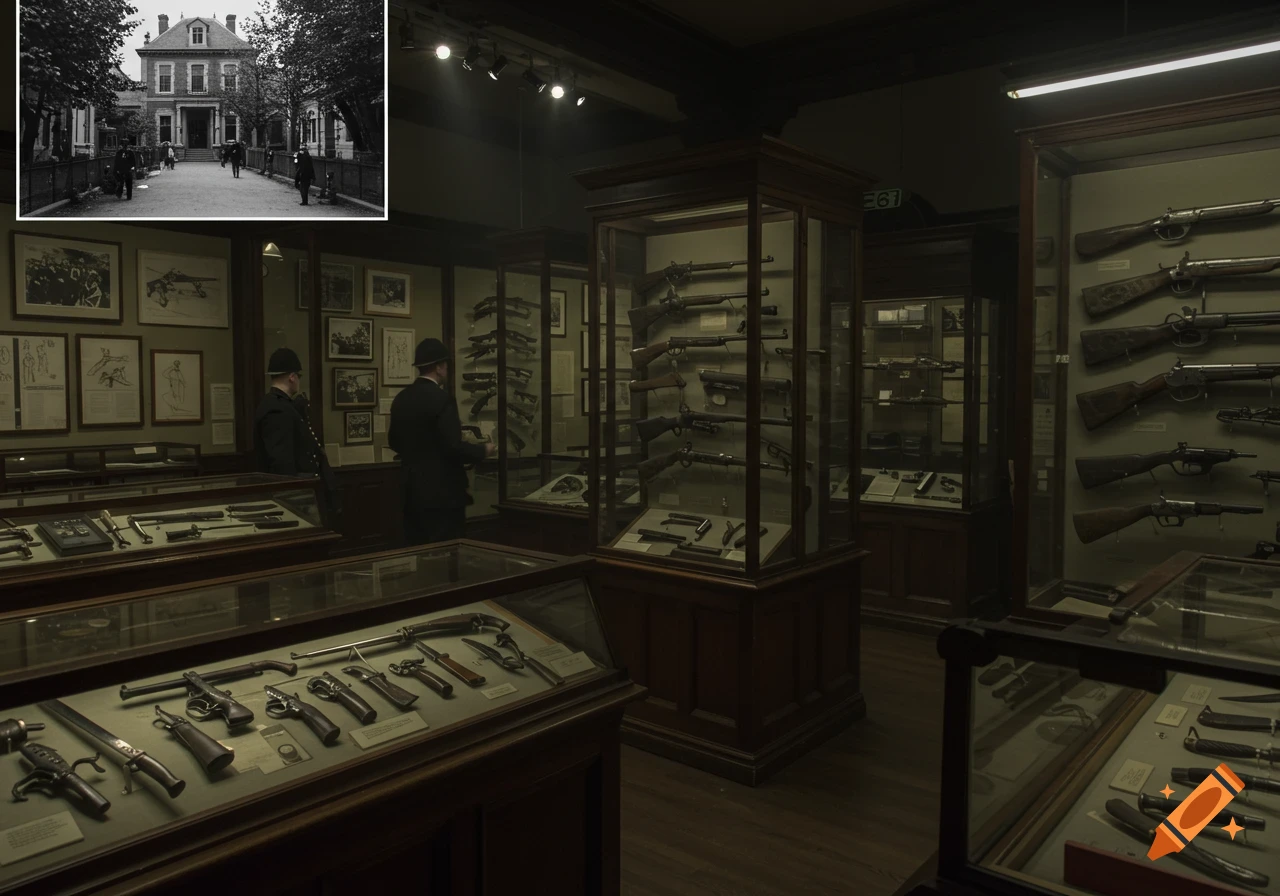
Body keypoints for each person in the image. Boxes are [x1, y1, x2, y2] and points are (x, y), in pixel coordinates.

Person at [388, 338, 495, 545]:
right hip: (443, 494)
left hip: (411, 490)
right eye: (445, 364)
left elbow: (394, 441)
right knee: (447, 554)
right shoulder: (442, 399)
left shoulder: (401, 398)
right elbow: (452, 446)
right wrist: (483, 450)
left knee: (417, 551)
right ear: (439, 367)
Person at [253, 348, 342, 518]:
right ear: (292, 377)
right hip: (295, 495)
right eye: (298, 377)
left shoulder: (281, 406)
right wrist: (294, 498)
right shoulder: (277, 410)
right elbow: (282, 462)